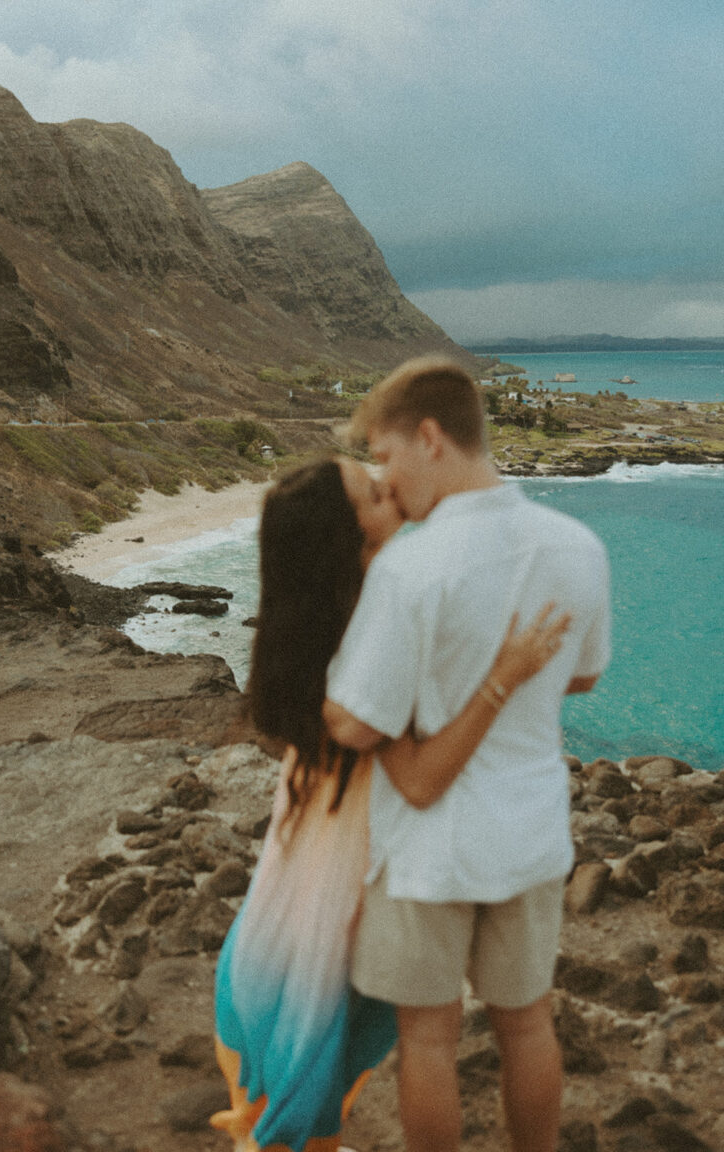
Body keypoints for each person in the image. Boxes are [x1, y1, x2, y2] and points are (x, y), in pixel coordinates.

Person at [211, 456, 571, 1152]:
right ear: (350, 537)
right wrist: (506, 675)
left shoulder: (309, 631)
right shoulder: (368, 641)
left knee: (282, 1101)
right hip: (320, 934)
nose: (389, 481)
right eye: (373, 490)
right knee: (307, 1098)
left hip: (278, 917)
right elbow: (422, 779)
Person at [324, 357, 611, 1152]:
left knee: (428, 1039)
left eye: (384, 455)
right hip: (529, 829)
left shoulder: (412, 566)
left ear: (429, 437)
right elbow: (584, 674)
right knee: (527, 1024)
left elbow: (357, 724)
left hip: (430, 850)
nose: (384, 479)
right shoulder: (579, 546)